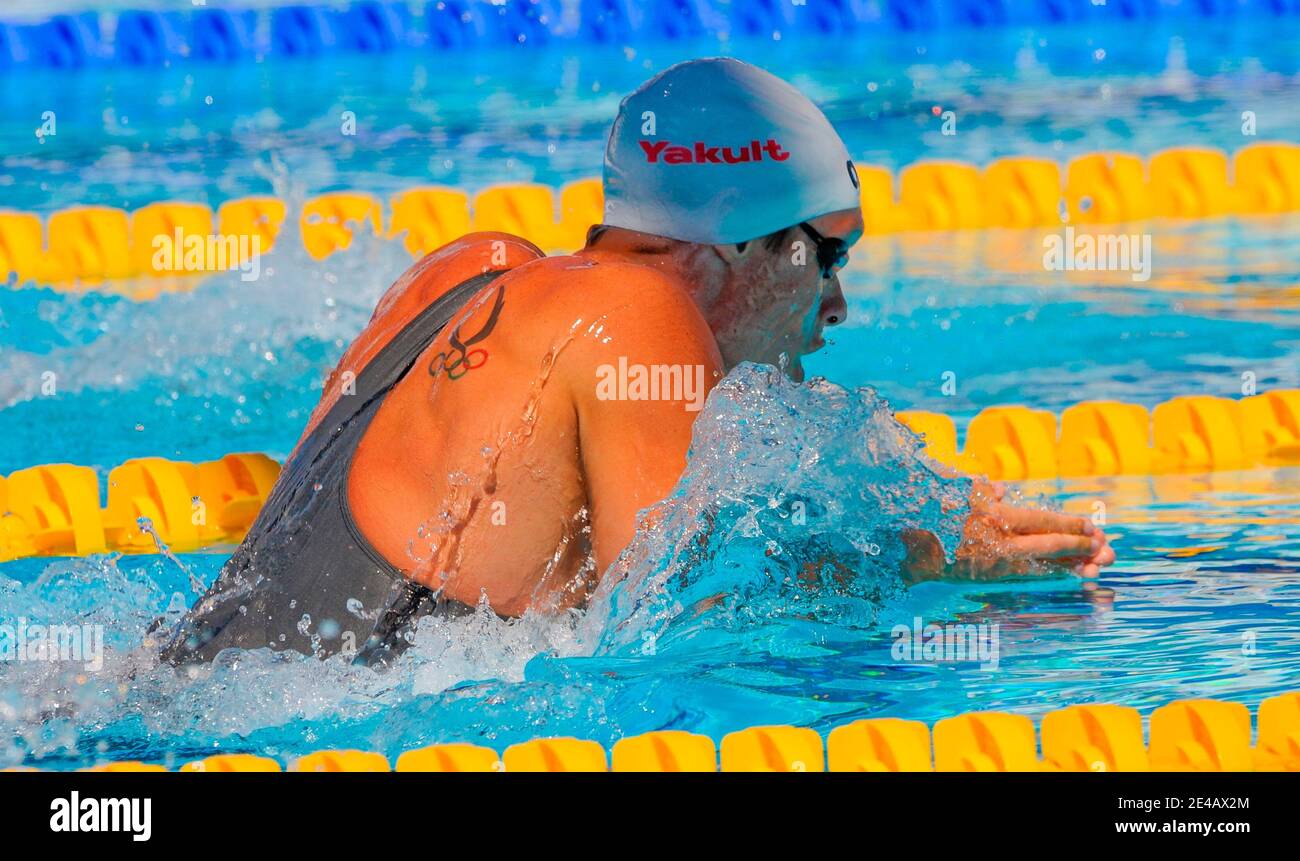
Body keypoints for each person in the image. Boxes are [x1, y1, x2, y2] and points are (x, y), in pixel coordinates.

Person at [159, 58, 1113, 667]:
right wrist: (934, 559)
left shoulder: (470, 269)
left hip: (175, 683)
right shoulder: (640, 310)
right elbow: (676, 630)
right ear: (746, 243)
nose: (836, 303)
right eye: (829, 254)